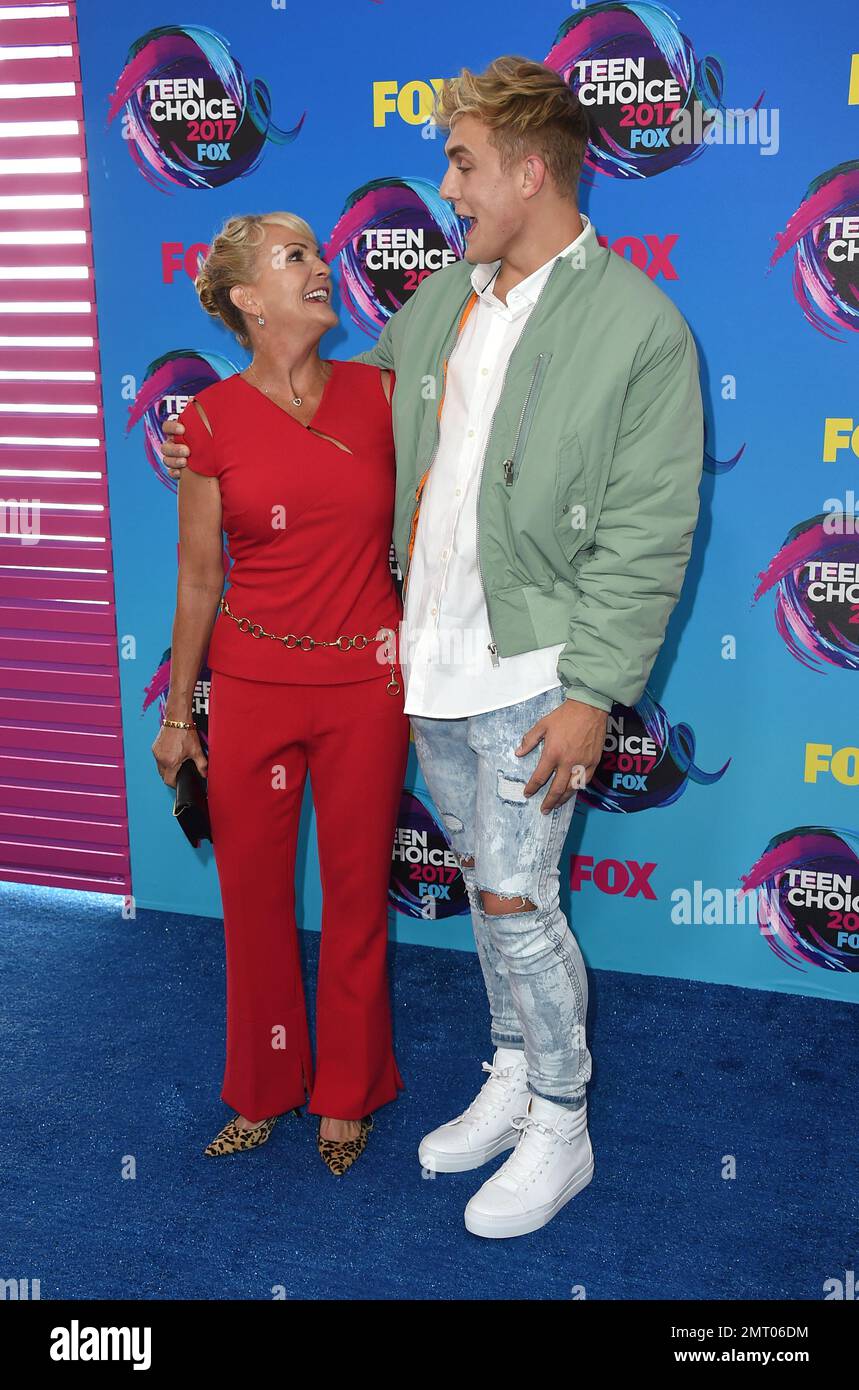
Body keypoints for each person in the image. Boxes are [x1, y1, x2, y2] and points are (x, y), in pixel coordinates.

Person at [162, 56, 705, 1236]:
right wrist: (210, 438)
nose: (445, 186)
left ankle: (562, 1117)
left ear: (526, 168)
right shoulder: (448, 299)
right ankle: (512, 1076)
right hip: (427, 670)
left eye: (461, 163)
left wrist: (595, 692)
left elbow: (652, 527)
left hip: (538, 674)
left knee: (517, 897)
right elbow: (333, 404)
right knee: (481, 888)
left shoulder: (638, 325)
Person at [152, 211, 410, 1175]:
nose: (321, 266)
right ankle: (263, 1086)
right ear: (248, 301)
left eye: (318, 250)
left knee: (354, 898)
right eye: (294, 255)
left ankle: (348, 1090)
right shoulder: (207, 421)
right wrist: (179, 716)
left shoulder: (383, 395)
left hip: (365, 687)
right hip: (253, 685)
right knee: (253, 902)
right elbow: (196, 579)